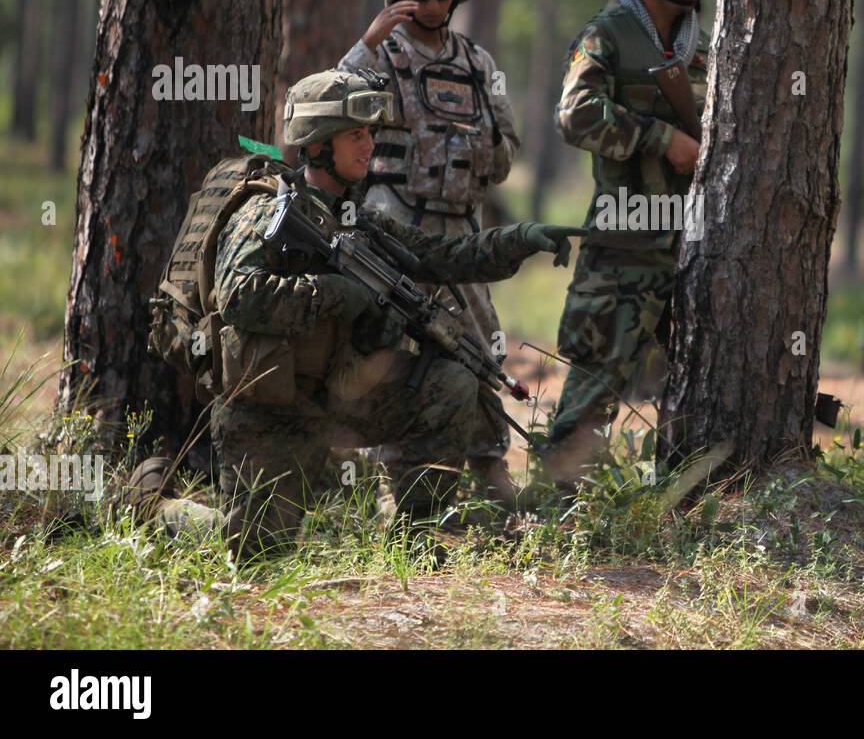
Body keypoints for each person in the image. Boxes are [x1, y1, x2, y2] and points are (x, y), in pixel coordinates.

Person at [124, 70, 582, 559]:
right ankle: (151, 503)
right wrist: (337, 293)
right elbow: (240, 294)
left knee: (450, 383)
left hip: (343, 397)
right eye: (356, 135)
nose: (369, 147)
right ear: (318, 143)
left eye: (371, 135)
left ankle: (414, 537)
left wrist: (520, 239)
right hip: (270, 412)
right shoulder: (266, 212)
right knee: (256, 549)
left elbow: (441, 255)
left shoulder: (356, 218)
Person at [336, 0, 522, 498]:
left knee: (479, 349)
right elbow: (329, 108)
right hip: (394, 232)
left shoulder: (477, 63)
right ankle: (394, 484)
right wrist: (367, 43)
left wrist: (475, 147)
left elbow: (508, 150)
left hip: (459, 236)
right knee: (394, 353)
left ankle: (490, 474)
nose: (435, 3)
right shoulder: (382, 56)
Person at [543, 0, 712, 480]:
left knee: (698, 384)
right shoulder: (607, 34)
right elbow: (575, 116)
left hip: (694, 238)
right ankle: (560, 506)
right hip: (624, 240)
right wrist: (661, 139)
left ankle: (684, 495)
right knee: (595, 381)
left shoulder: (700, 44)